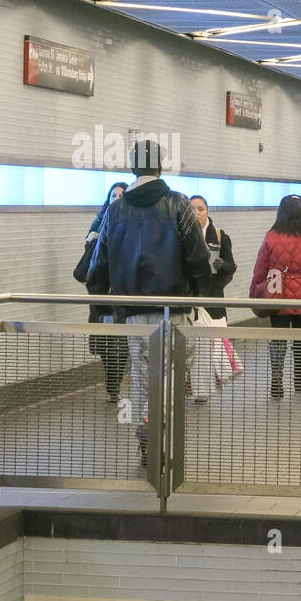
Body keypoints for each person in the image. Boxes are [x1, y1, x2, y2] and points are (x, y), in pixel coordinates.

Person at [86, 140, 210, 464]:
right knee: (172, 379)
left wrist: (102, 306)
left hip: (132, 314)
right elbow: (198, 258)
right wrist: (199, 296)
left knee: (143, 381)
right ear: (160, 166)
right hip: (174, 312)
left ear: (133, 167)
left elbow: (98, 266)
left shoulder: (115, 211)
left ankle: (148, 446)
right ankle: (150, 429)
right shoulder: (179, 205)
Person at [249, 195, 301, 399]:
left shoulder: (271, 236)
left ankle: (277, 378)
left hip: (276, 292)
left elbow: (260, 269)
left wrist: (254, 295)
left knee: (278, 338)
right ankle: (299, 381)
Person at [74, 181, 129, 400]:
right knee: (105, 345)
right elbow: (87, 268)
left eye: (121, 195)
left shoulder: (133, 227)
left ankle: (113, 384)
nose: (117, 199)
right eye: (113, 196)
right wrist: (92, 243)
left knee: (120, 343)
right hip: (101, 297)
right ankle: (112, 379)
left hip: (124, 297)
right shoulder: (97, 227)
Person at [190, 195, 240, 400]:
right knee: (197, 348)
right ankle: (200, 392)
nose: (196, 213)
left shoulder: (220, 236)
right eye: (192, 209)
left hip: (214, 298)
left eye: (200, 209)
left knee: (215, 346)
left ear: (207, 211)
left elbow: (232, 266)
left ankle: (212, 384)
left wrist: (222, 264)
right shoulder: (183, 236)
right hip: (192, 300)